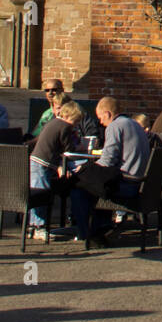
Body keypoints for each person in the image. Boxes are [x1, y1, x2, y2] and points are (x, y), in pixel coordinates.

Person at [67, 97, 152, 243]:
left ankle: (86, 233)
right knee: (95, 184)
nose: (100, 122)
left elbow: (107, 161)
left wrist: (83, 168)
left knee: (78, 188)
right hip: (142, 182)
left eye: (100, 118)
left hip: (127, 184)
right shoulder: (134, 124)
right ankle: (101, 225)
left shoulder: (115, 126)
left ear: (107, 114)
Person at [28, 102, 82, 240]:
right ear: (69, 116)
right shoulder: (65, 127)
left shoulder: (52, 123)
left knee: (35, 192)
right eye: (75, 121)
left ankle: (32, 226)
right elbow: (67, 150)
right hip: (43, 163)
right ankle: (39, 227)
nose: (75, 125)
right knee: (42, 194)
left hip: (36, 161)